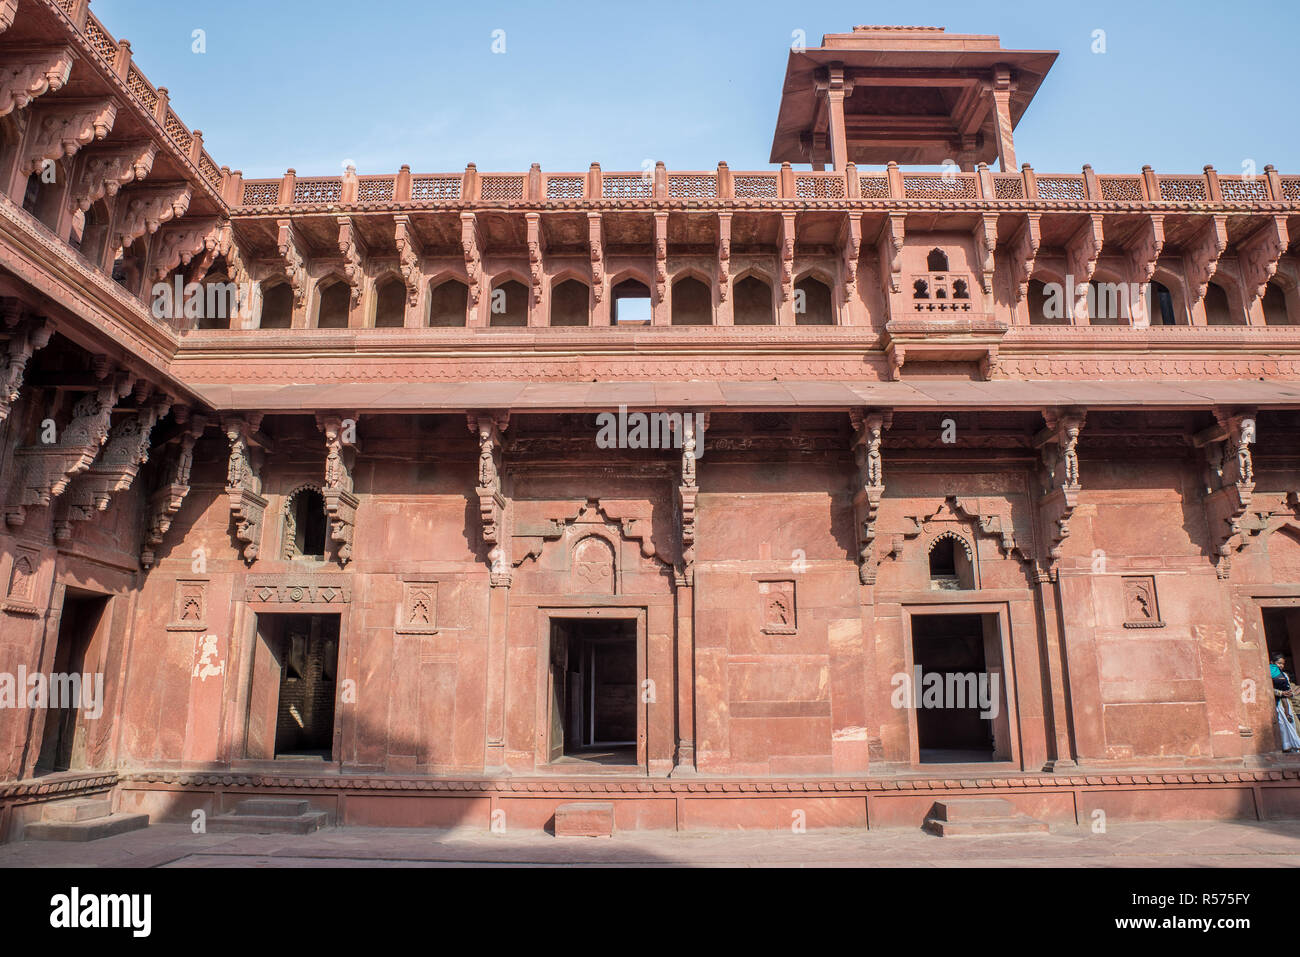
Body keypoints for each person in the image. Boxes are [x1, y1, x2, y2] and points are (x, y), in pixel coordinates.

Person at [1271, 654, 1300, 753]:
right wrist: (1281, 693)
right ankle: (1286, 745)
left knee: (1291, 723)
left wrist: (1290, 693)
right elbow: (1268, 688)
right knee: (1282, 724)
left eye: (1283, 664)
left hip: (1287, 702)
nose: (1281, 666)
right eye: (1279, 663)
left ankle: (1294, 745)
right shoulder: (1272, 674)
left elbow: (1289, 689)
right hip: (1277, 702)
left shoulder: (1284, 676)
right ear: (1272, 663)